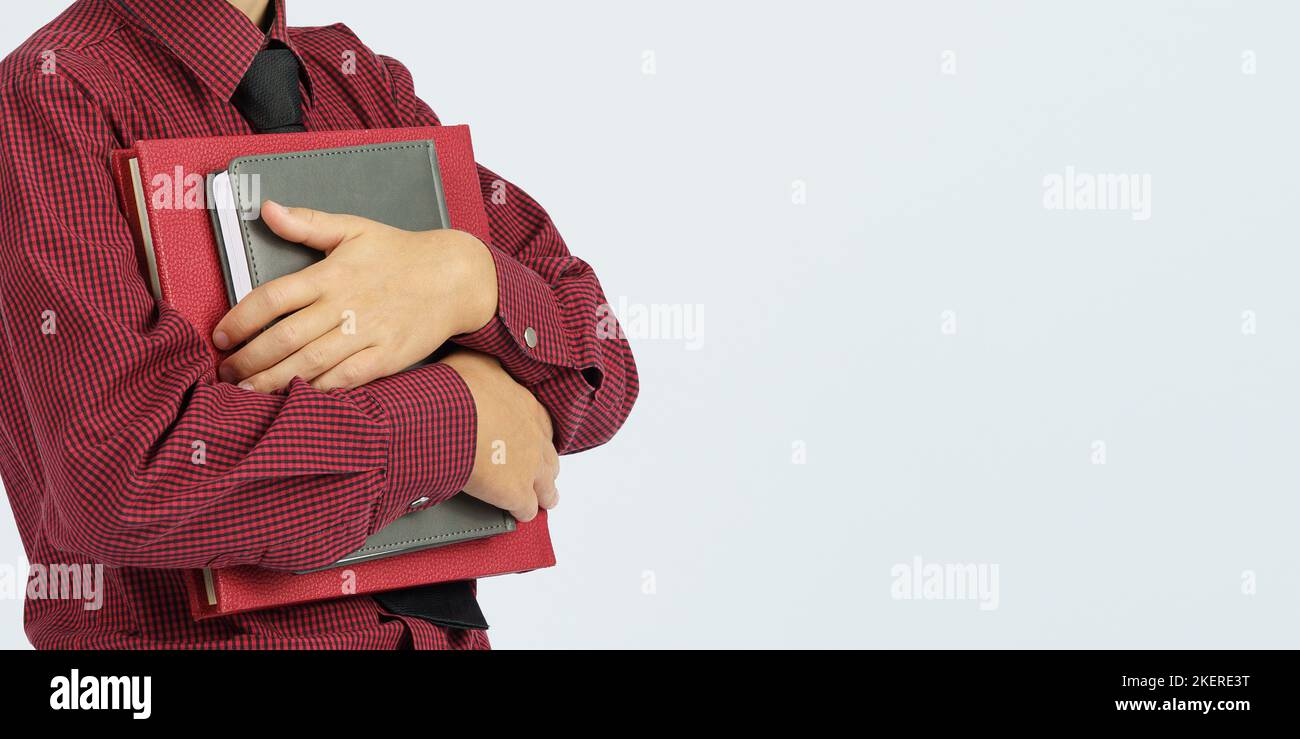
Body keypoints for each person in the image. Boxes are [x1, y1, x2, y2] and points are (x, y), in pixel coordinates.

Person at [0, 0, 638, 649]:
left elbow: (604, 379)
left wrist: (467, 280)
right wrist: (458, 419)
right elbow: (122, 480)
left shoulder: (359, 79)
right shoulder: (52, 91)